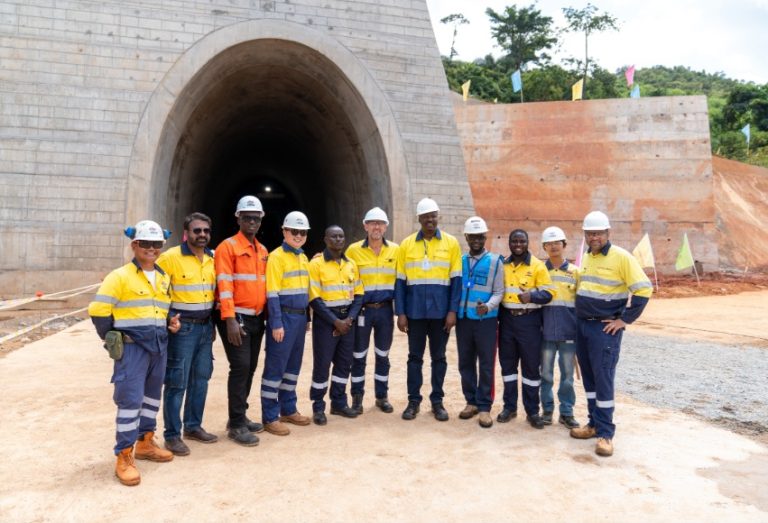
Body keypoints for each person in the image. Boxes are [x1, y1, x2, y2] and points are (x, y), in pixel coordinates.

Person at [88, 220, 181, 486]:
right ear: (135, 245)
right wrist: (111, 339)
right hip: (132, 349)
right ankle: (124, 455)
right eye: (146, 244)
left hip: (159, 347)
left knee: (151, 399)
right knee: (130, 402)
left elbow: (161, 309)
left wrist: (170, 322)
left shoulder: (163, 276)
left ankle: (145, 443)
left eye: (156, 245)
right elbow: (98, 311)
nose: (151, 249)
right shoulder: (119, 276)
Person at [570, 211, 653, 457]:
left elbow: (644, 289)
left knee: (603, 378)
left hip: (604, 330)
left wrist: (623, 319)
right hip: (583, 326)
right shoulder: (586, 256)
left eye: (598, 233)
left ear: (608, 233)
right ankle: (593, 423)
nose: (593, 237)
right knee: (590, 380)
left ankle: (605, 433)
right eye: (589, 233)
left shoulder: (621, 258)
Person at [395, 197, 462, 422]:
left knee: (439, 357)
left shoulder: (451, 243)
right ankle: (413, 401)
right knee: (414, 358)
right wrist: (401, 313)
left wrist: (452, 311)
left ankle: (437, 402)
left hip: (441, 314)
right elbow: (400, 282)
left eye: (433, 216)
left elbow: (456, 281)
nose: (430, 220)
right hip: (414, 314)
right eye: (426, 217)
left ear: (438, 217)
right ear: (419, 219)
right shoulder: (406, 245)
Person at [157, 212, 218, 456]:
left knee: (201, 379)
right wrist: (168, 316)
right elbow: (157, 290)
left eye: (205, 231)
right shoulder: (170, 258)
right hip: (183, 330)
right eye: (197, 231)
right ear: (187, 233)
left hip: (205, 327)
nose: (202, 235)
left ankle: (193, 426)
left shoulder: (212, 259)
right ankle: (172, 435)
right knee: (176, 382)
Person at [214, 195, 268, 447]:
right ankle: (236, 424)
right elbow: (224, 284)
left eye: (256, 218)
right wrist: (229, 318)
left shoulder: (262, 250)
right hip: (238, 319)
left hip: (257, 319)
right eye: (247, 217)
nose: (252, 222)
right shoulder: (228, 247)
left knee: (250, 367)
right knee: (240, 367)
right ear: (238, 218)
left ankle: (240, 415)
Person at [259, 211, 313, 436]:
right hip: (284, 318)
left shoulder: (303, 257)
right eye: (294, 231)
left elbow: (305, 291)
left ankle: (288, 408)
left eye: (302, 232)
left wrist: (307, 318)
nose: (298, 235)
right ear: (284, 231)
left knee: (293, 367)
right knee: (276, 367)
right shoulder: (277, 257)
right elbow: (272, 293)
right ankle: (270, 416)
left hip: (299, 319)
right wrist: (276, 323)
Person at [497, 229, 554, 429]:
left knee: (531, 369)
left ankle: (532, 411)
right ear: (509, 243)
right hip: (507, 322)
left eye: (522, 241)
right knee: (508, 367)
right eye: (514, 241)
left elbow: (549, 293)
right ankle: (509, 407)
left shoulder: (538, 266)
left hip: (529, 322)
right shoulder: (502, 265)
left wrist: (532, 297)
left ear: (528, 243)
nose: (518, 245)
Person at [345, 207, 399, 414]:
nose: (376, 226)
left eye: (380, 223)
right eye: (372, 223)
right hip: (363, 312)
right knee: (358, 355)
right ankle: (357, 397)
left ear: (386, 227)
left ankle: (381, 396)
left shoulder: (396, 250)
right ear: (365, 226)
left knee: (383, 355)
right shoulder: (353, 250)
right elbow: (339, 266)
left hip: (385, 311)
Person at [308, 225, 363, 425]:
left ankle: (339, 402)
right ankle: (318, 407)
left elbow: (359, 295)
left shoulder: (351, 264)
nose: (338, 239)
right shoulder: (315, 265)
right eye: (334, 236)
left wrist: (349, 319)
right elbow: (314, 298)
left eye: (341, 236)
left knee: (344, 364)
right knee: (322, 366)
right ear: (325, 239)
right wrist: (335, 322)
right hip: (326, 323)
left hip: (348, 321)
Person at [456, 217, 504, 428]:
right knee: (465, 362)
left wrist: (489, 306)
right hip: (464, 320)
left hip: (486, 321)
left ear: (486, 237)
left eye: (480, 236)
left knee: (486, 364)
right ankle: (471, 401)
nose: (476, 240)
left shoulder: (495, 261)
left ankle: (484, 407)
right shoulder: (460, 260)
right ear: (466, 237)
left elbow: (499, 291)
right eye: (472, 236)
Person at [539, 226, 580, 429]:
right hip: (545, 333)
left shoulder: (575, 273)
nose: (553, 246)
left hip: (568, 333)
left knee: (567, 377)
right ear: (544, 247)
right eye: (549, 243)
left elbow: (580, 303)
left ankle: (566, 412)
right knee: (545, 374)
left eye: (557, 243)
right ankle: (547, 410)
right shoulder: (539, 271)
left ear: (564, 245)